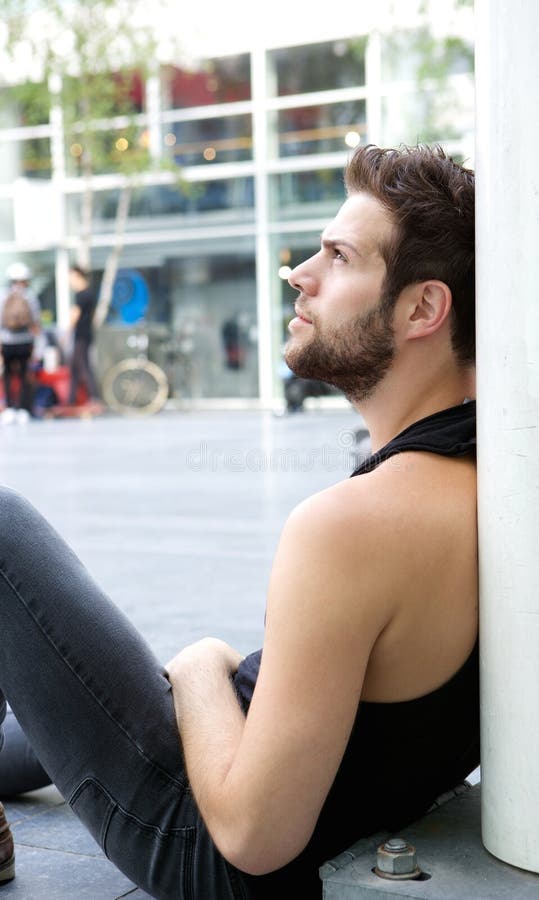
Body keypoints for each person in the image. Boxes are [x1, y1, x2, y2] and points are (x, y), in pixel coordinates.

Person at [0, 144, 477, 898]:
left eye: (339, 256)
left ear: (423, 307)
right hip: (299, 775)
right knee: (47, 697)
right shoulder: (488, 481)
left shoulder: (354, 525)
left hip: (190, 830)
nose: (300, 274)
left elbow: (253, 840)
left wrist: (200, 668)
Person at [0, 262, 41, 424]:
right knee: (24, 374)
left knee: (8, 375)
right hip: (25, 341)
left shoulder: (3, 295)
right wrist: (38, 343)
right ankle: (24, 409)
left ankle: (10, 408)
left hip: (7, 341)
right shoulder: (29, 295)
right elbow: (36, 321)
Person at [68, 265, 99, 406]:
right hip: (86, 333)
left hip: (81, 335)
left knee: (83, 365)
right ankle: (72, 398)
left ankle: (93, 397)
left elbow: (75, 314)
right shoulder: (90, 293)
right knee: (76, 366)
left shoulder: (82, 294)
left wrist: (67, 332)